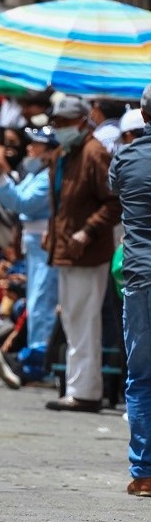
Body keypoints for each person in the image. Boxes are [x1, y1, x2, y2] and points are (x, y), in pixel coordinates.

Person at [44, 96, 121, 412]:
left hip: (87, 251)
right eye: (56, 124)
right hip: (66, 249)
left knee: (85, 319)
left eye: (62, 123)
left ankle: (86, 390)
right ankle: (78, 386)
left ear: (81, 121)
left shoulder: (94, 153)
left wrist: (87, 231)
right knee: (73, 318)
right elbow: (62, 202)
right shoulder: (64, 154)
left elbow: (113, 202)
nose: (58, 129)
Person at [0, 126, 61, 388]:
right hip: (33, 243)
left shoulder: (47, 176)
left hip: (44, 243)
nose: (30, 149)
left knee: (43, 303)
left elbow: (23, 202)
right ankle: (35, 360)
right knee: (36, 303)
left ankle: (40, 364)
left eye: (37, 145)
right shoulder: (37, 174)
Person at [107, 84, 151, 495]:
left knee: (140, 377)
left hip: (139, 277)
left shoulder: (126, 154)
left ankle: (144, 473)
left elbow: (114, 187)